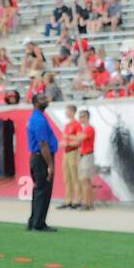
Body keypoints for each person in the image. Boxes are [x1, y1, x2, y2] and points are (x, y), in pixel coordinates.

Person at [26, 91, 58, 231]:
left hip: (38, 157)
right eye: (42, 99)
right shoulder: (39, 119)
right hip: (41, 158)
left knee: (39, 190)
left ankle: (34, 221)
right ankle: (38, 224)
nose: (46, 100)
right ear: (36, 103)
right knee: (43, 191)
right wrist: (50, 165)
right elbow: (43, 143)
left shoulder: (36, 118)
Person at [59, 102, 82, 209]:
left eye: (67, 111)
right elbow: (65, 139)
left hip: (73, 152)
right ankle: (68, 200)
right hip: (66, 152)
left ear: (72, 112)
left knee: (75, 176)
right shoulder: (67, 125)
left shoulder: (77, 125)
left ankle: (78, 200)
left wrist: (67, 141)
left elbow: (78, 141)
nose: (66, 113)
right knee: (67, 177)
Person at [78, 107, 96, 210]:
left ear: (86, 117)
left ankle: (86, 202)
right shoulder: (85, 129)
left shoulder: (89, 128)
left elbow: (80, 138)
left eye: (81, 117)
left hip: (87, 155)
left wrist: (68, 136)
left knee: (85, 180)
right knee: (87, 181)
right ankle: (89, 203)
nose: (80, 119)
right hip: (85, 155)